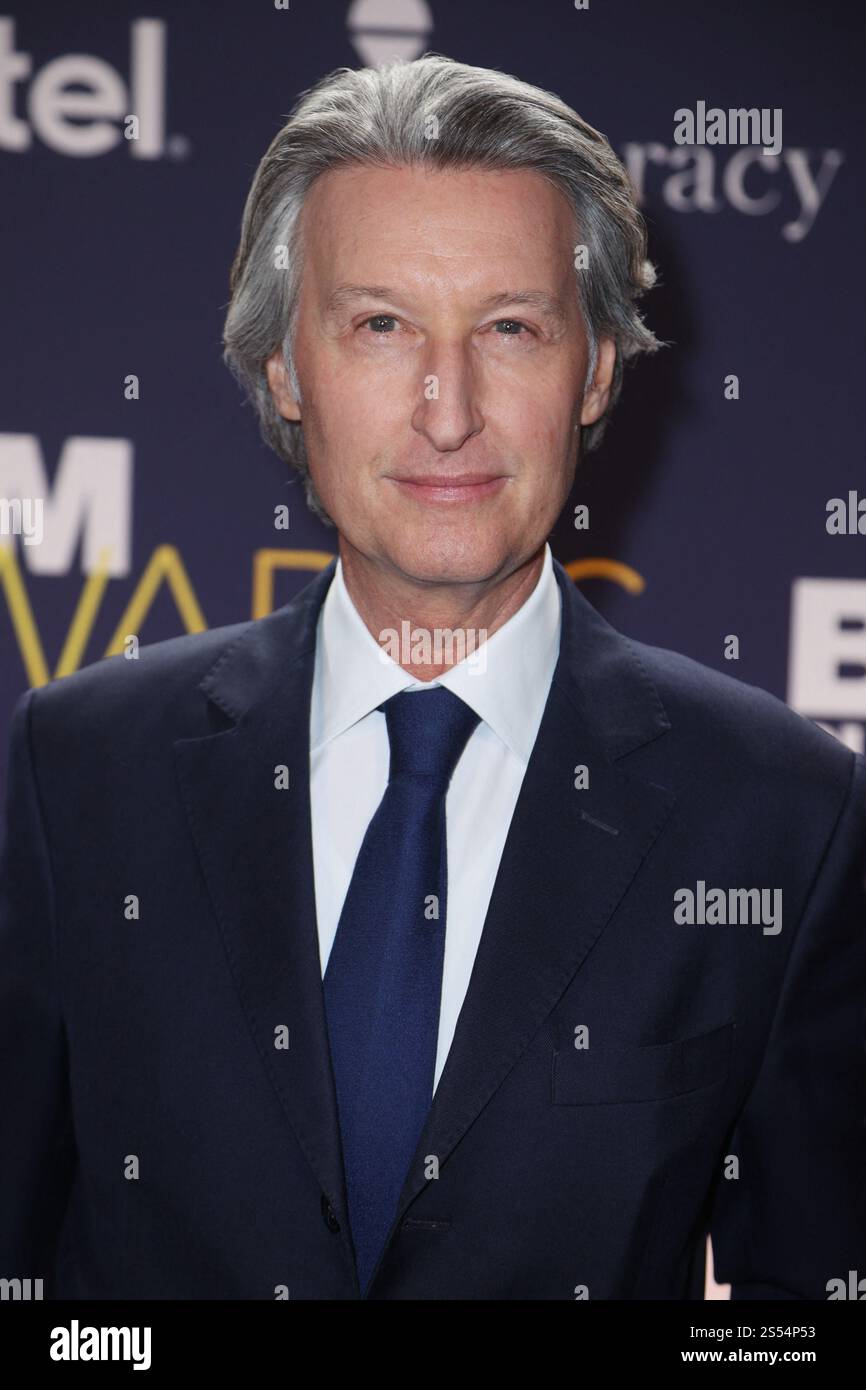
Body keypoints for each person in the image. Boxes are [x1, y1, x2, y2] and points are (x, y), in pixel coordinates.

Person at [1, 54, 864, 1300]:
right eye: (380, 324)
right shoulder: (77, 770)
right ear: (285, 368)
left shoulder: (783, 818)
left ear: (599, 369)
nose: (445, 408)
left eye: (510, 327)